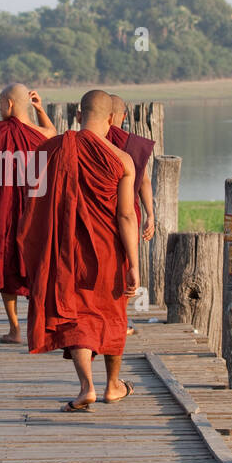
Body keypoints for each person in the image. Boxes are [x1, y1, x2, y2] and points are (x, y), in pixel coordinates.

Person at [18, 89, 140, 412]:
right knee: (112, 314)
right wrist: (134, 264)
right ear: (111, 119)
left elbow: (34, 202)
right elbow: (127, 215)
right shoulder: (122, 160)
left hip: (66, 249)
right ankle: (113, 385)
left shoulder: (52, 149)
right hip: (108, 252)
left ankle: (87, 386)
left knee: (77, 317)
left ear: (77, 115)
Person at [0, 83, 57, 344]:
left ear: (8, 104)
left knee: (7, 265)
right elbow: (52, 134)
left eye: (0, 102)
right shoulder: (38, 134)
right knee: (37, 264)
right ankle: (40, 326)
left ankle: (15, 329)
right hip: (34, 215)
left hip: (3, 214)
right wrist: (40, 110)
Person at [106, 95, 156, 334]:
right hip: (130, 212)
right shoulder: (131, 143)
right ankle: (120, 319)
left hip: (101, 213)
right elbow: (144, 181)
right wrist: (150, 214)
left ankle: (112, 319)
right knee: (126, 265)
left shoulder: (94, 140)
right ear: (123, 116)